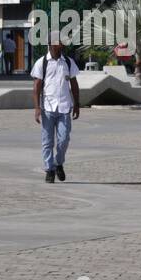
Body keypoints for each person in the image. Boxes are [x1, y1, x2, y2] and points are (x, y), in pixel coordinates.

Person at [31, 34, 81, 183]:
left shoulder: (68, 62)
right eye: (60, 43)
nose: (62, 46)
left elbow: (74, 84)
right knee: (47, 142)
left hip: (65, 107)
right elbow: (36, 87)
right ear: (51, 45)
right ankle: (49, 169)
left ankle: (58, 163)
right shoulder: (42, 63)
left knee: (64, 139)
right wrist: (37, 108)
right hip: (47, 108)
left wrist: (77, 104)